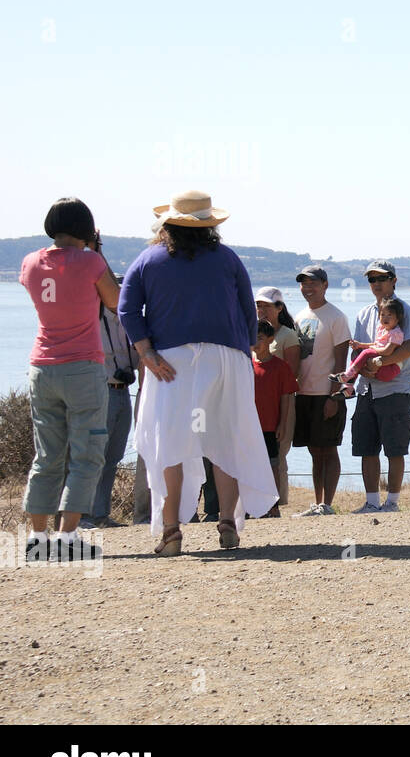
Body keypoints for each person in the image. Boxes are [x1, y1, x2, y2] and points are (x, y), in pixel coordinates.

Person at [119, 190, 278, 554]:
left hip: (170, 360)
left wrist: (146, 351)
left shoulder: (148, 259)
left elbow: (128, 310)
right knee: (226, 440)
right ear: (209, 226)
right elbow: (247, 314)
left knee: (170, 443)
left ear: (168, 224)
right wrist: (241, 356)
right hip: (225, 357)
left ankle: (172, 531)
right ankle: (226, 524)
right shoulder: (227, 258)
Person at [18, 198, 118, 563]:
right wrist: (96, 254)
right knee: (87, 452)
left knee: (47, 454)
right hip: (82, 366)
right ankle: (67, 535)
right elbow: (113, 301)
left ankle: (37, 538)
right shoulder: (91, 261)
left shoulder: (30, 261)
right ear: (87, 228)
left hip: (41, 366)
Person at [350, 261, 410, 513]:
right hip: (366, 389)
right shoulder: (363, 314)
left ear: (394, 280)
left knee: (395, 448)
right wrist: (360, 370)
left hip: (395, 389)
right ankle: (371, 502)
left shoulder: (405, 311)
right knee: (366, 447)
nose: (376, 284)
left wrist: (381, 363)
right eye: (371, 279)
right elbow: (358, 350)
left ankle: (392, 502)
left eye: (382, 278)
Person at [291, 264, 352, 516]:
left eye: (313, 283)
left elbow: (341, 362)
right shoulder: (299, 316)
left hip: (325, 394)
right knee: (314, 451)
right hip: (303, 394)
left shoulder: (336, 317)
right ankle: (317, 503)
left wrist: (334, 396)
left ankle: (328, 503)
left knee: (328, 448)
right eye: (304, 283)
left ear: (325, 285)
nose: (308, 288)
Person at [83, 287, 139, 529]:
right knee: (92, 456)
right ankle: (82, 515)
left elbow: (135, 359)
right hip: (100, 390)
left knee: (113, 457)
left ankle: (100, 514)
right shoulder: (92, 319)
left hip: (123, 390)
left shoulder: (128, 321)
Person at [255, 286, 300, 506]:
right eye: (258, 305)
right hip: (261, 409)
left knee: (278, 457)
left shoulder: (287, 335)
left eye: (267, 305)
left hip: (283, 402)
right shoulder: (253, 333)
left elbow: (292, 372)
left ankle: (278, 503)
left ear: (279, 307)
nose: (261, 309)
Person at [330, 295, 406, 398]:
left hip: (390, 370)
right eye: (382, 315)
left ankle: (347, 376)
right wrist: (360, 345)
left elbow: (387, 351)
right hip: (380, 366)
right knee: (357, 357)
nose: (385, 318)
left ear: (397, 319)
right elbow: (376, 344)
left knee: (365, 353)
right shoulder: (382, 329)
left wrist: (370, 349)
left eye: (389, 315)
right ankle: (349, 388)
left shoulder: (396, 333)